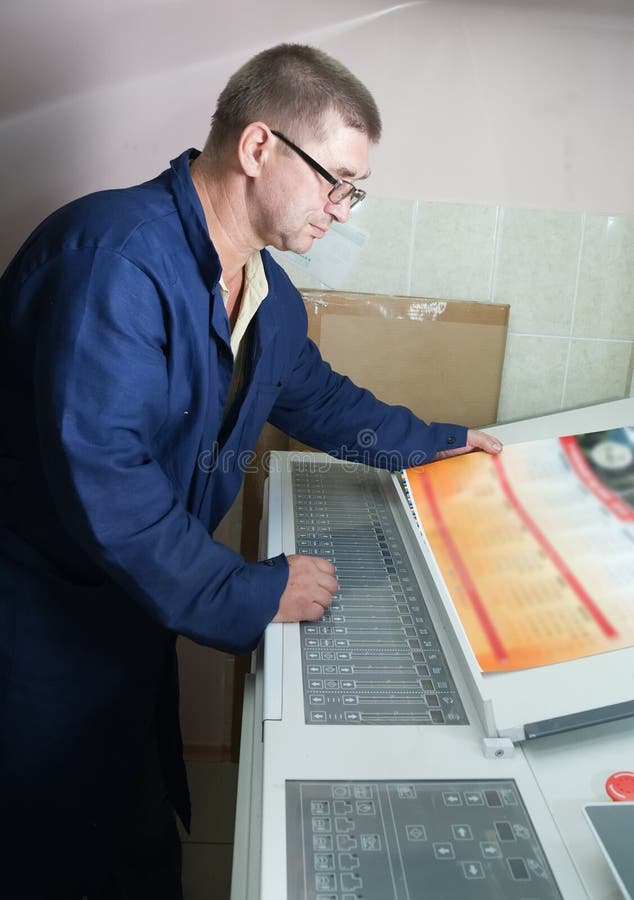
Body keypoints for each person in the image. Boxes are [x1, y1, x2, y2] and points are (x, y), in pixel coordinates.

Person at [0, 43, 502, 898]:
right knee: (44, 849)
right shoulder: (110, 261)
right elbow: (111, 493)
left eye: (355, 190)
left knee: (137, 838)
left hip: (127, 624)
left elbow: (321, 401)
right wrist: (253, 592)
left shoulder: (264, 293)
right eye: (337, 182)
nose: (344, 211)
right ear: (259, 148)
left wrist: (435, 442)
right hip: (38, 634)